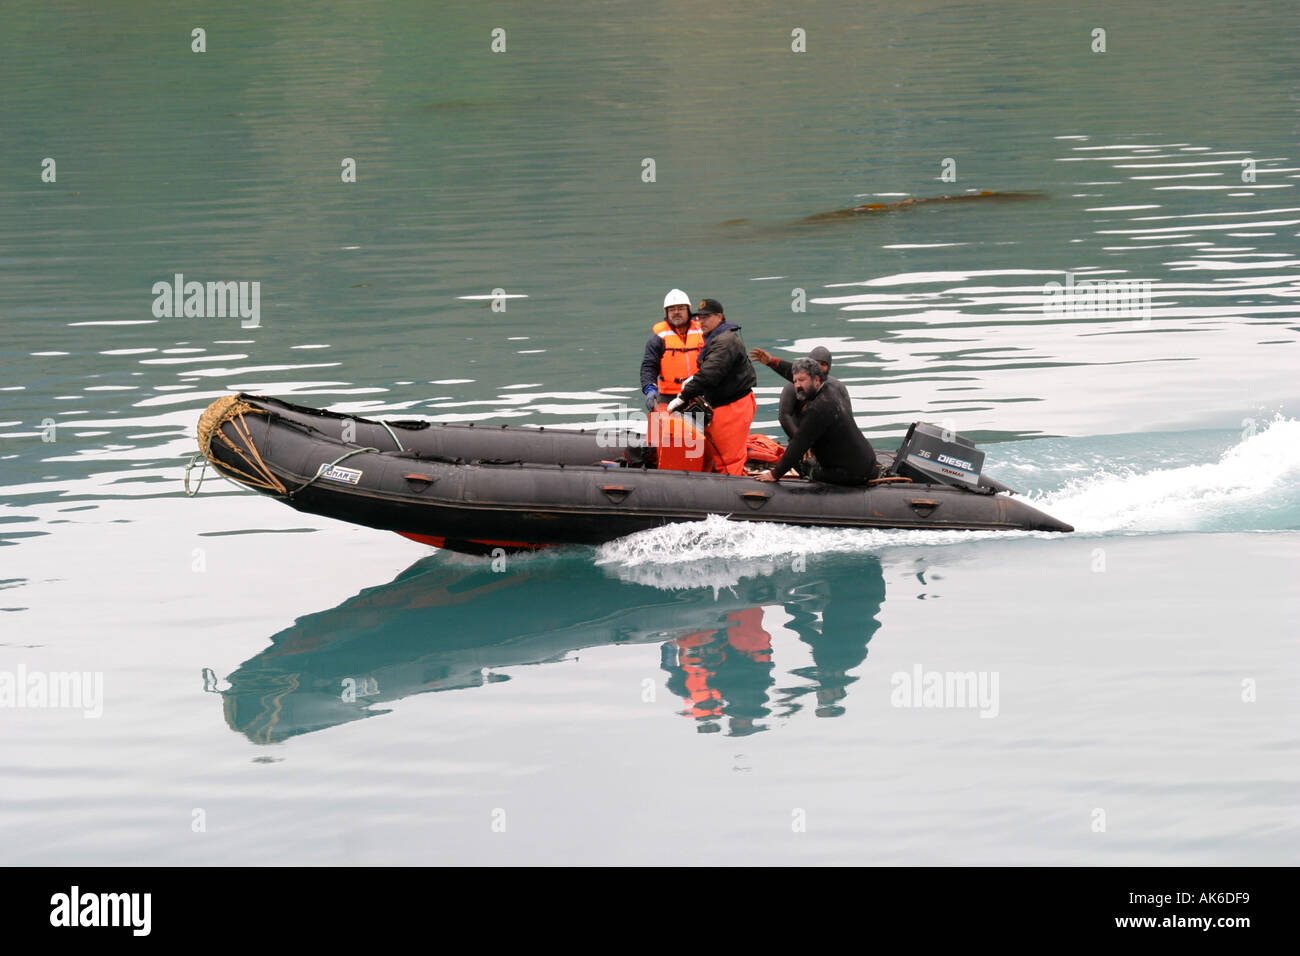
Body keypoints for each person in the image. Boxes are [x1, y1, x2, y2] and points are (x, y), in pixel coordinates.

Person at [665, 298, 756, 475]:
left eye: (706, 317)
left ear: (719, 317)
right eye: (699, 318)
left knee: (728, 460)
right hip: (715, 404)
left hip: (732, 407)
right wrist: (693, 382)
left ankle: (730, 494)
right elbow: (710, 372)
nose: (701, 321)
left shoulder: (725, 341)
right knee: (704, 452)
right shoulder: (716, 338)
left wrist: (683, 396)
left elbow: (710, 374)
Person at [754, 358, 876, 486]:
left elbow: (799, 444)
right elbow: (797, 375)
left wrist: (774, 474)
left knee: (802, 464)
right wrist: (773, 362)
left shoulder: (819, 407)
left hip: (850, 473)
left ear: (817, 380)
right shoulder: (830, 388)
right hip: (867, 461)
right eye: (795, 381)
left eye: (801, 380)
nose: (797, 386)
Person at [748, 345, 850, 439]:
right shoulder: (794, 387)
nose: (819, 367)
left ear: (829, 367)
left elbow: (847, 419)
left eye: (823, 364)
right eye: (816, 362)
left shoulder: (837, 388)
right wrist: (800, 442)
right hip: (800, 439)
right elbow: (784, 416)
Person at [640, 289, 704, 412]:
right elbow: (649, 366)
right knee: (660, 428)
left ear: (688, 310)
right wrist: (650, 389)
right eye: (672, 309)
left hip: (698, 395)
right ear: (667, 313)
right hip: (667, 396)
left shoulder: (703, 333)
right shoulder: (658, 339)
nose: (676, 312)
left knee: (697, 429)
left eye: (680, 308)